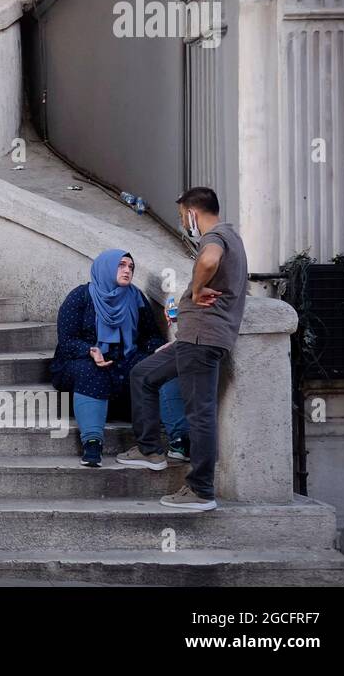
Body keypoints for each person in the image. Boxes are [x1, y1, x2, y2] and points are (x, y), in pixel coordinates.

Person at [117, 186, 249, 512]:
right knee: (143, 374)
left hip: (202, 341)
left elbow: (209, 259)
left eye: (181, 217)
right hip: (192, 339)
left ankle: (201, 490)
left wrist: (200, 287)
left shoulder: (215, 237)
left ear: (192, 213)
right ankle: (149, 449)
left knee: (200, 414)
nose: (182, 223)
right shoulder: (230, 235)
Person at [51, 249, 187, 468]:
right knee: (92, 371)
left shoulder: (135, 297)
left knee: (162, 367)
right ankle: (92, 443)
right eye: (121, 265)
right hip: (82, 360)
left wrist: (160, 348)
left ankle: (181, 440)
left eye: (131, 267)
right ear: (106, 267)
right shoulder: (81, 296)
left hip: (126, 359)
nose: (127, 270)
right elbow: (67, 340)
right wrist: (91, 350)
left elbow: (148, 335)